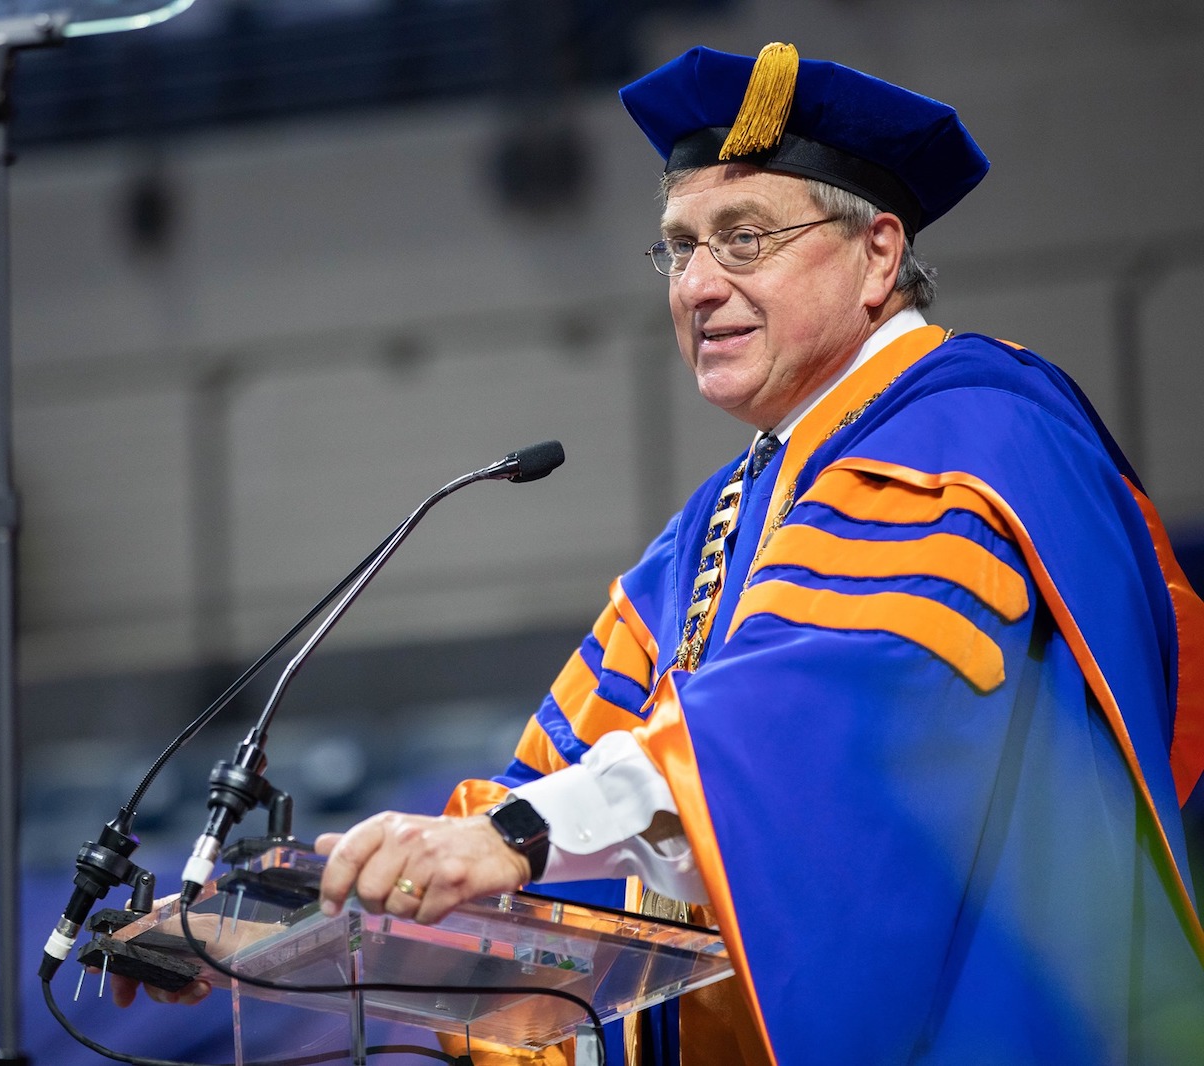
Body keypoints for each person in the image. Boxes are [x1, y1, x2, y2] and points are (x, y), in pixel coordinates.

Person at [120, 44, 1204, 1064]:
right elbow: (548, 788)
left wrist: (514, 836)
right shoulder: (716, 526)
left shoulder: (966, 435)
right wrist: (292, 918)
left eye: (745, 237)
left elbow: (816, 721)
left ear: (878, 252)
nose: (694, 286)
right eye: (680, 246)